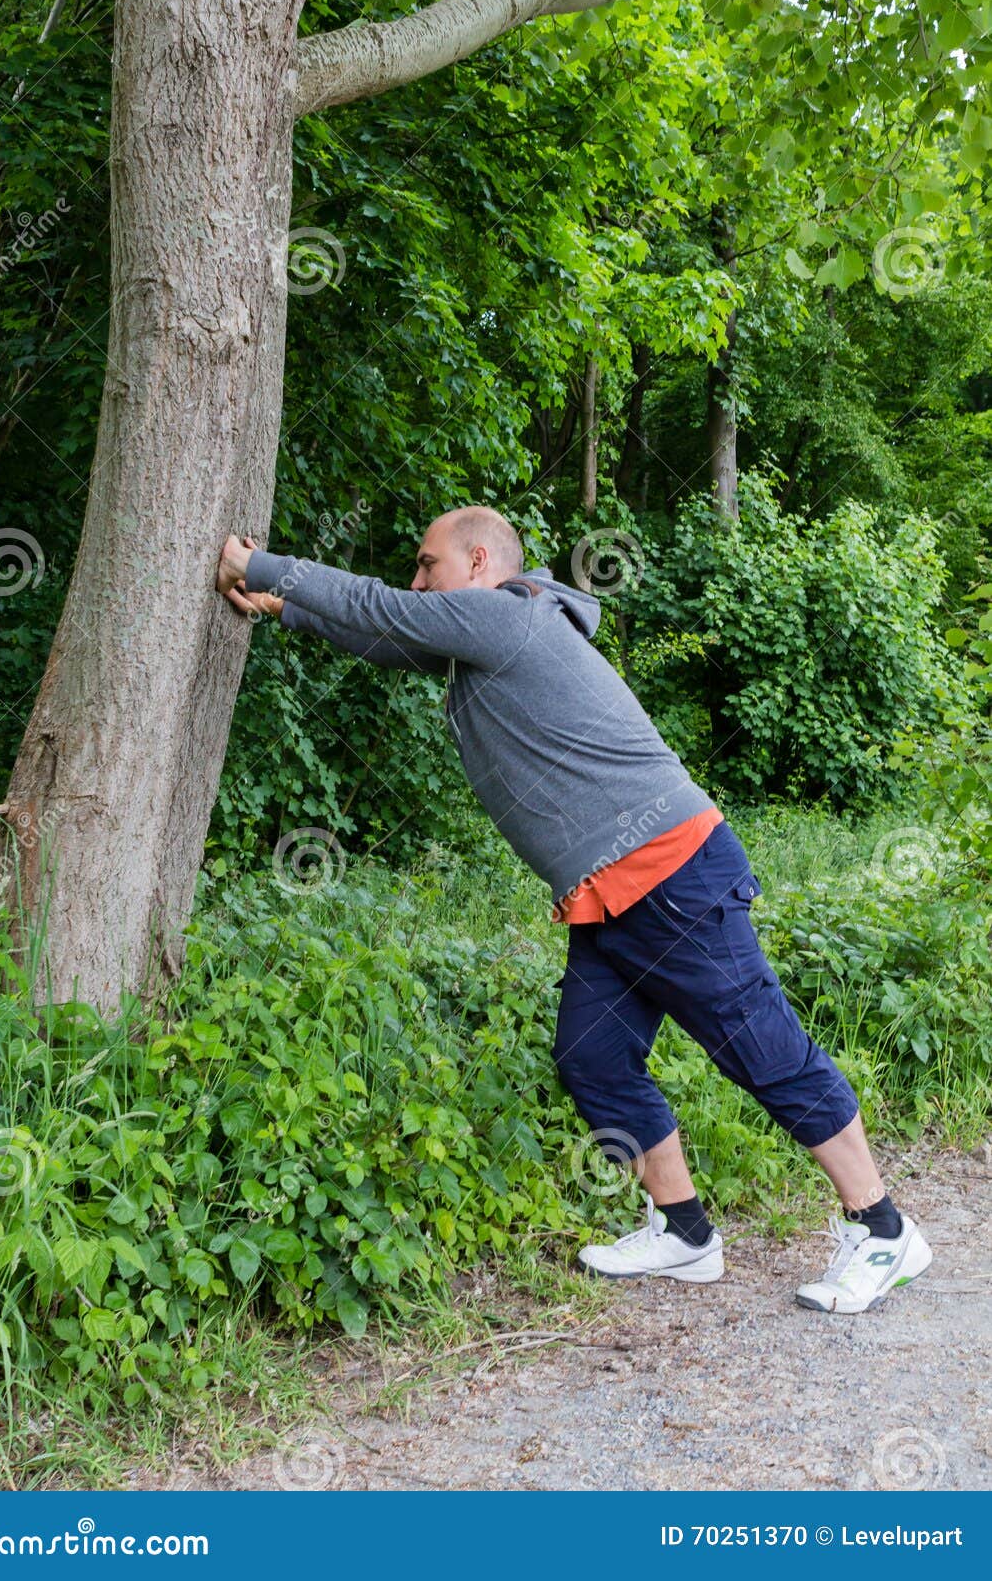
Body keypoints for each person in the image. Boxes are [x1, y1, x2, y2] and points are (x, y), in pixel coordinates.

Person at [216, 507, 932, 1314]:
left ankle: (881, 1229)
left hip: (672, 871)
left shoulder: (507, 616)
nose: (417, 582)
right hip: (605, 892)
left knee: (758, 1048)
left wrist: (261, 563)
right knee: (592, 1058)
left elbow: (387, 611)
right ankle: (685, 1233)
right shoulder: (485, 636)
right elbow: (392, 638)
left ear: (478, 561)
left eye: (426, 565)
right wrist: (287, 607)